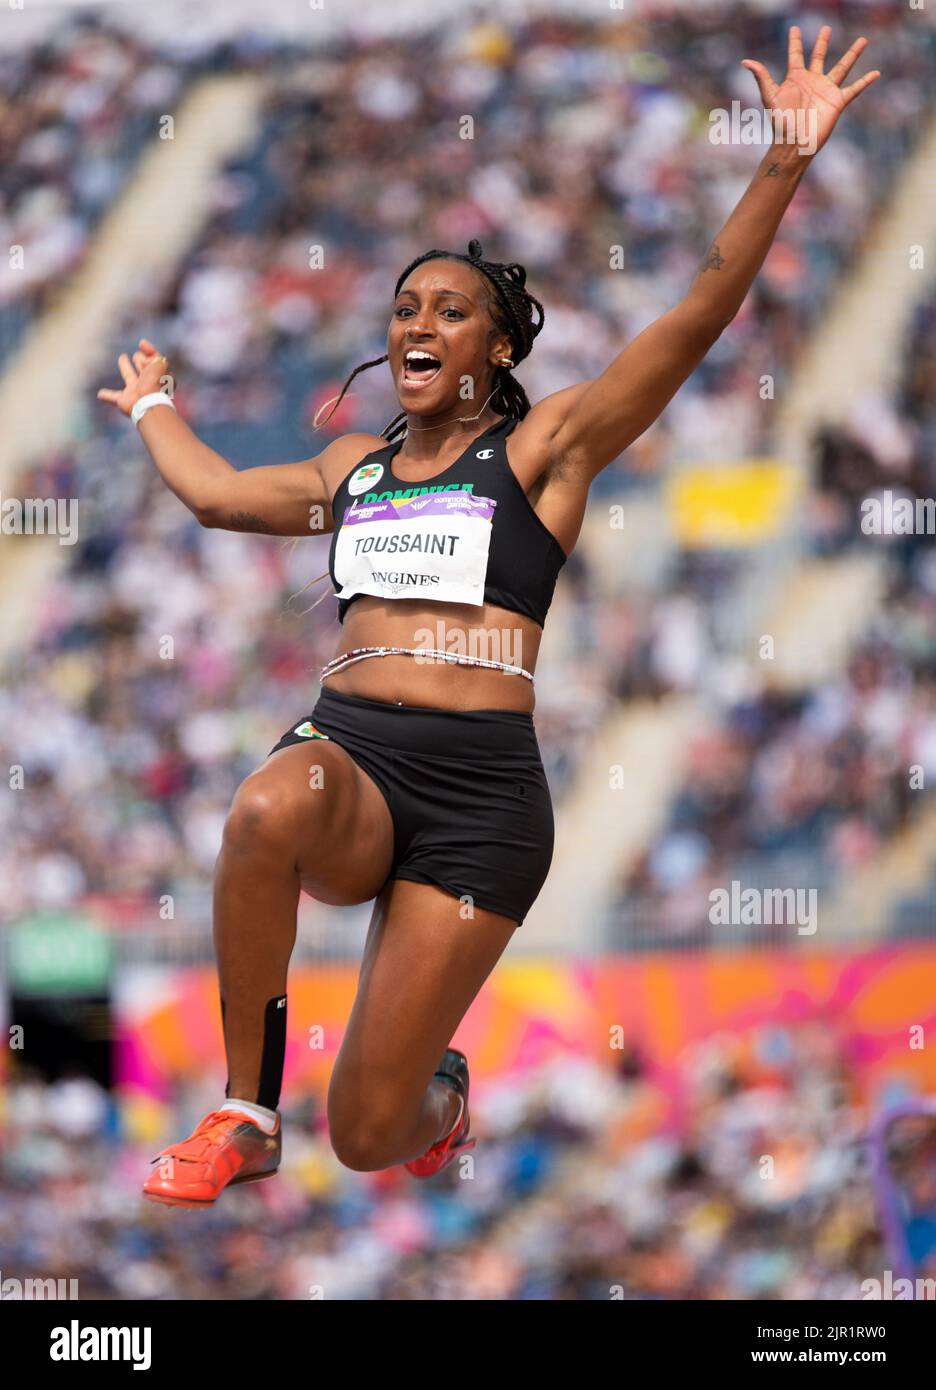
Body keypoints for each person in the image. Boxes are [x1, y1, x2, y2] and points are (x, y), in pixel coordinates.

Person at [96, 26, 878, 1207]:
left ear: (496, 345)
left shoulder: (543, 450)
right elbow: (212, 496)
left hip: (481, 801)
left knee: (366, 1133)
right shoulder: (350, 467)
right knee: (263, 807)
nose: (417, 324)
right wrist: (153, 404)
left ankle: (442, 1101)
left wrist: (782, 162)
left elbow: (699, 314)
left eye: (450, 310)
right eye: (406, 306)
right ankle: (247, 1112)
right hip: (352, 757)